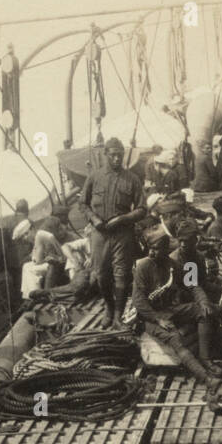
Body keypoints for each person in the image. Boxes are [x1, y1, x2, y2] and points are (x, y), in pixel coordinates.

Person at [131, 229, 222, 385]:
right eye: (150, 248)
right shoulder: (143, 267)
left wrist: (203, 302)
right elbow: (139, 302)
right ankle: (205, 378)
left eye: (156, 249)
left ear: (166, 249)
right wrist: (158, 319)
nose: (151, 253)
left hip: (168, 310)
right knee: (175, 339)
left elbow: (192, 285)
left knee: (202, 311)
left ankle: (205, 359)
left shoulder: (173, 265)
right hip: (150, 317)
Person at [82, 137, 147, 324]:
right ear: (105, 155)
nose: (117, 159)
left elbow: (142, 209)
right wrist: (94, 219)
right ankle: (109, 308)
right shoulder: (94, 177)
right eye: (113, 155)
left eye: (120, 155)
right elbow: (83, 203)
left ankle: (118, 314)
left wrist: (122, 219)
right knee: (101, 275)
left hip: (122, 234)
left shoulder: (132, 179)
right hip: (99, 234)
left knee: (121, 274)